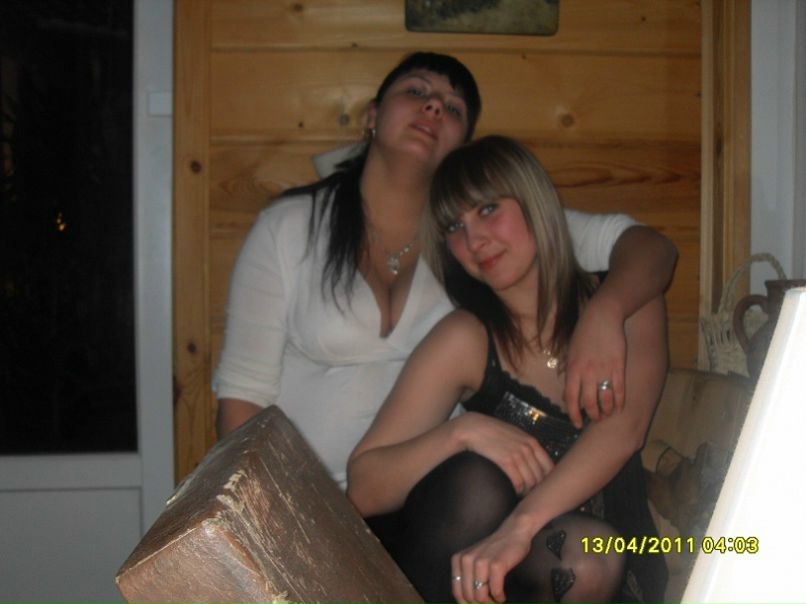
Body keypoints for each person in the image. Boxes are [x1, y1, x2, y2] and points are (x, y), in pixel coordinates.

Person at [213, 52, 677, 490]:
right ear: (373, 115)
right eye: (416, 92)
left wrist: (605, 313)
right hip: (297, 495)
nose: (434, 106)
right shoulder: (289, 227)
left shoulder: (476, 235)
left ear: (461, 144)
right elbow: (241, 399)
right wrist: (271, 510)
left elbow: (650, 249)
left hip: (426, 494)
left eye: (453, 109)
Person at [347, 136, 668, 604]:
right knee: (474, 480)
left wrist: (604, 314)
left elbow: (625, 430)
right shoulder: (465, 338)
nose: (474, 240)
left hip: (612, 553)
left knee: (586, 559)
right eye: (454, 226)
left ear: (532, 201)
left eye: (488, 209)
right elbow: (363, 486)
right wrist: (463, 432)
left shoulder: (625, 302)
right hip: (492, 573)